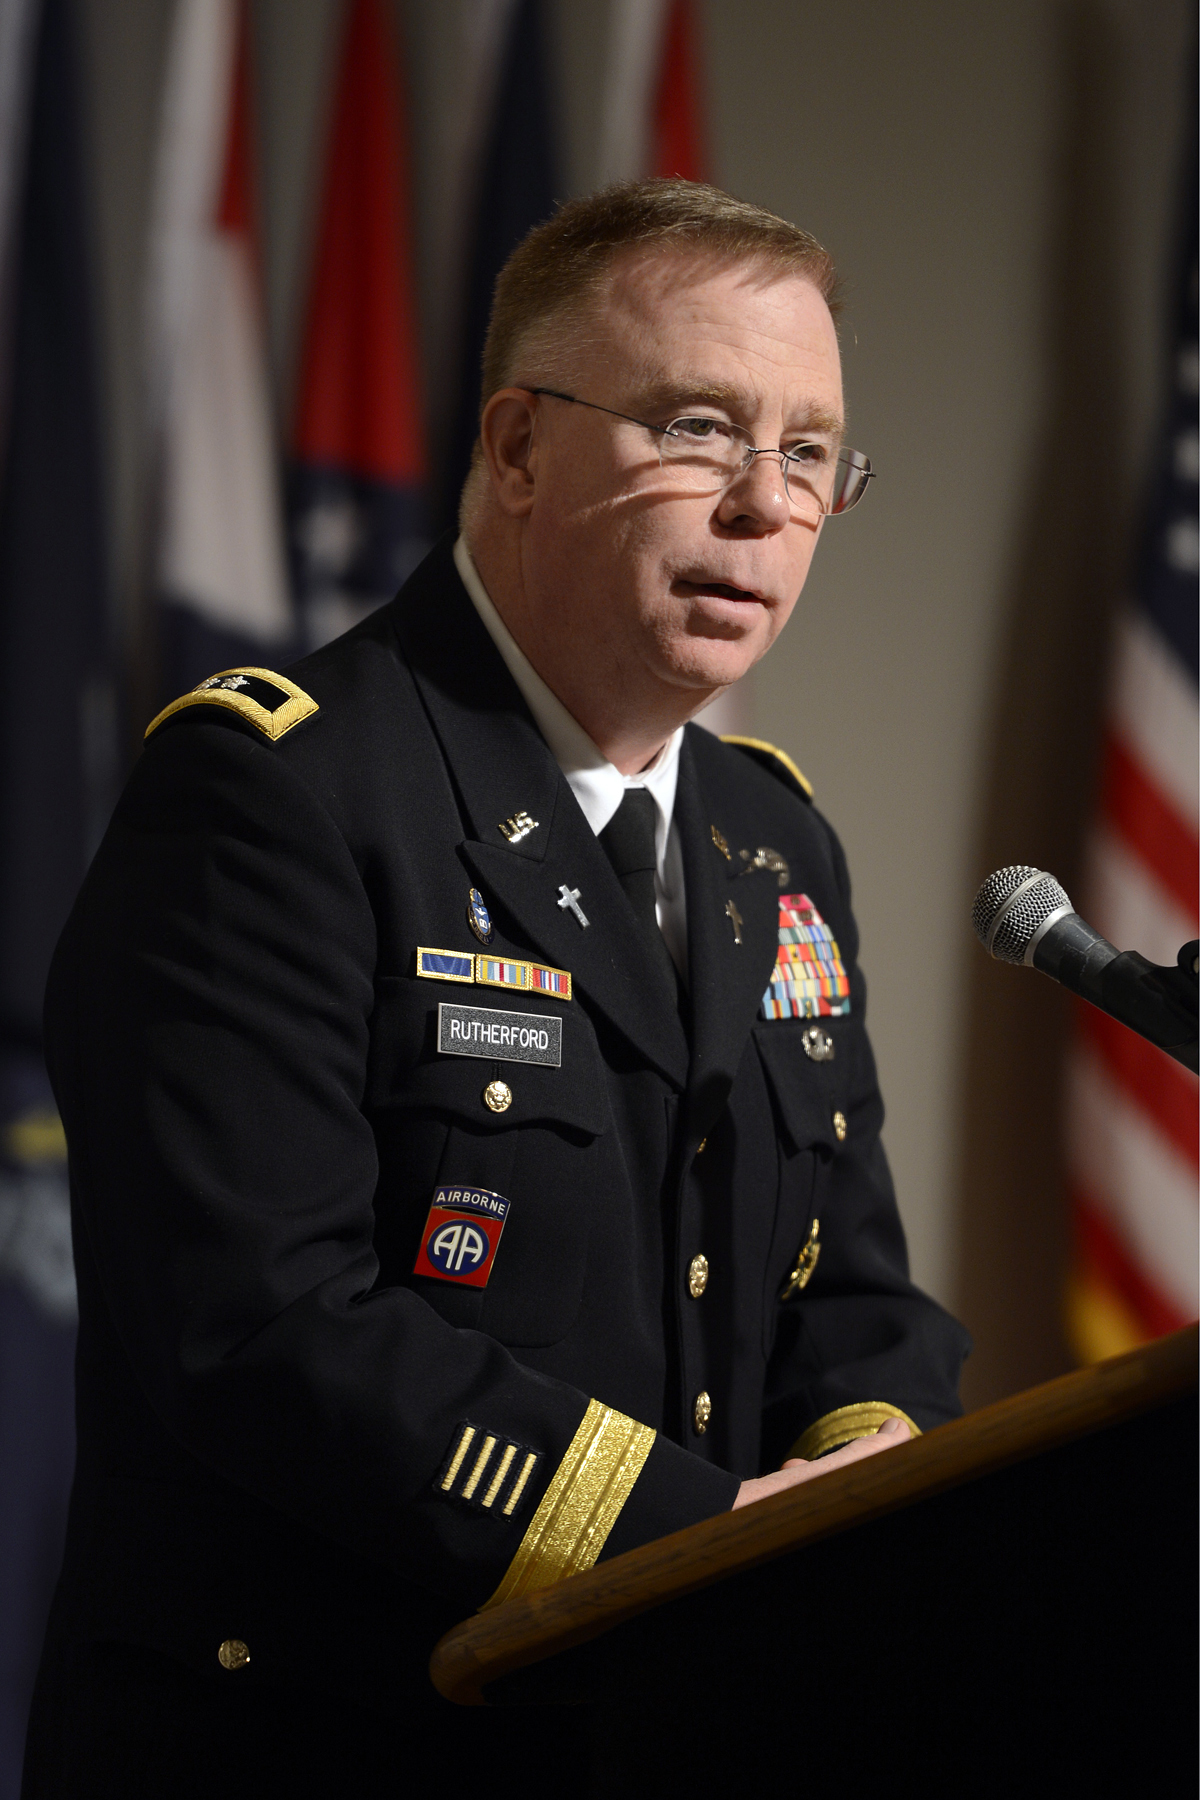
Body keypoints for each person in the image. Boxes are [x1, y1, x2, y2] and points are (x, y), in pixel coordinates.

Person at [24, 179, 969, 1796]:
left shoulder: (771, 838)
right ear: (518, 450)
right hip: (333, 1738)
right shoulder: (280, 797)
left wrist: (867, 1470)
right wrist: (693, 1534)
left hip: (680, 1723)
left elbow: (849, 1287)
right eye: (698, 427)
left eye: (810, 452)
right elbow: (264, 1323)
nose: (764, 503)